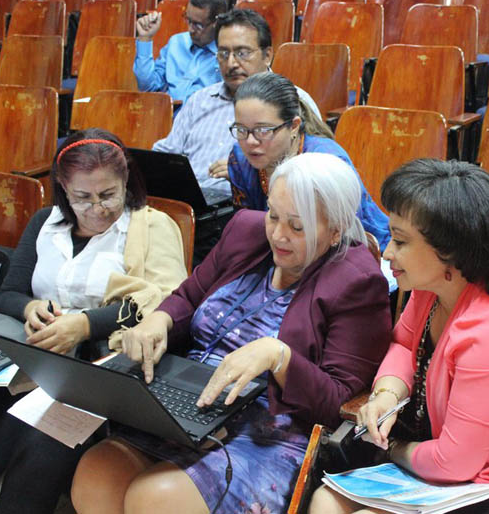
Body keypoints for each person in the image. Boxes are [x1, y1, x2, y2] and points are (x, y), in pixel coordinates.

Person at [70, 153, 392, 514]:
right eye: (273, 215)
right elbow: (189, 296)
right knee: (97, 474)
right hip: (192, 401)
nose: (278, 235)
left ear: (335, 230)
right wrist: (159, 320)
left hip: (268, 430)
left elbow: (337, 402)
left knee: (155, 498)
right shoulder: (245, 231)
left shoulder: (358, 281)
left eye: (297, 227)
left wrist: (279, 357)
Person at [0, 129, 187, 514]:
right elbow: (9, 292)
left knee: (29, 482)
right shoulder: (47, 222)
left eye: (108, 194)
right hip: (33, 361)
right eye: (82, 197)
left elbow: (165, 303)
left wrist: (85, 325)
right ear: (63, 188)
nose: (97, 209)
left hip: (93, 372)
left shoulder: (149, 226)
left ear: (126, 181)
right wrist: (30, 309)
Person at [309, 159, 489, 514]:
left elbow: (454, 464)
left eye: (400, 241)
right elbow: (404, 344)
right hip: (439, 457)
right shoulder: (432, 288)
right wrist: (386, 395)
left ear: (452, 253)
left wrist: (391, 448)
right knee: (324, 502)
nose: (387, 252)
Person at [153, 8, 322, 209]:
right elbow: (166, 154)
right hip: (187, 202)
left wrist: (245, 171)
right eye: (223, 53)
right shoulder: (199, 100)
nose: (231, 63)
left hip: (249, 207)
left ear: (267, 55)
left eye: (242, 53)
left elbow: (310, 175)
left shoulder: (295, 101)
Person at [225, 71, 391, 251]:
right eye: (241, 129)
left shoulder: (326, 163)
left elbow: (341, 239)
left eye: (263, 130)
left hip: (351, 250)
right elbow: (246, 229)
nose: (250, 141)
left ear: (293, 126)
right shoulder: (240, 158)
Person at [133, 0, 228, 103]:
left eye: (198, 25)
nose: (190, 29)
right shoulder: (176, 43)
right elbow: (148, 87)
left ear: (216, 23)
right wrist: (145, 39)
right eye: (188, 20)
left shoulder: (227, 56)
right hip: (168, 112)